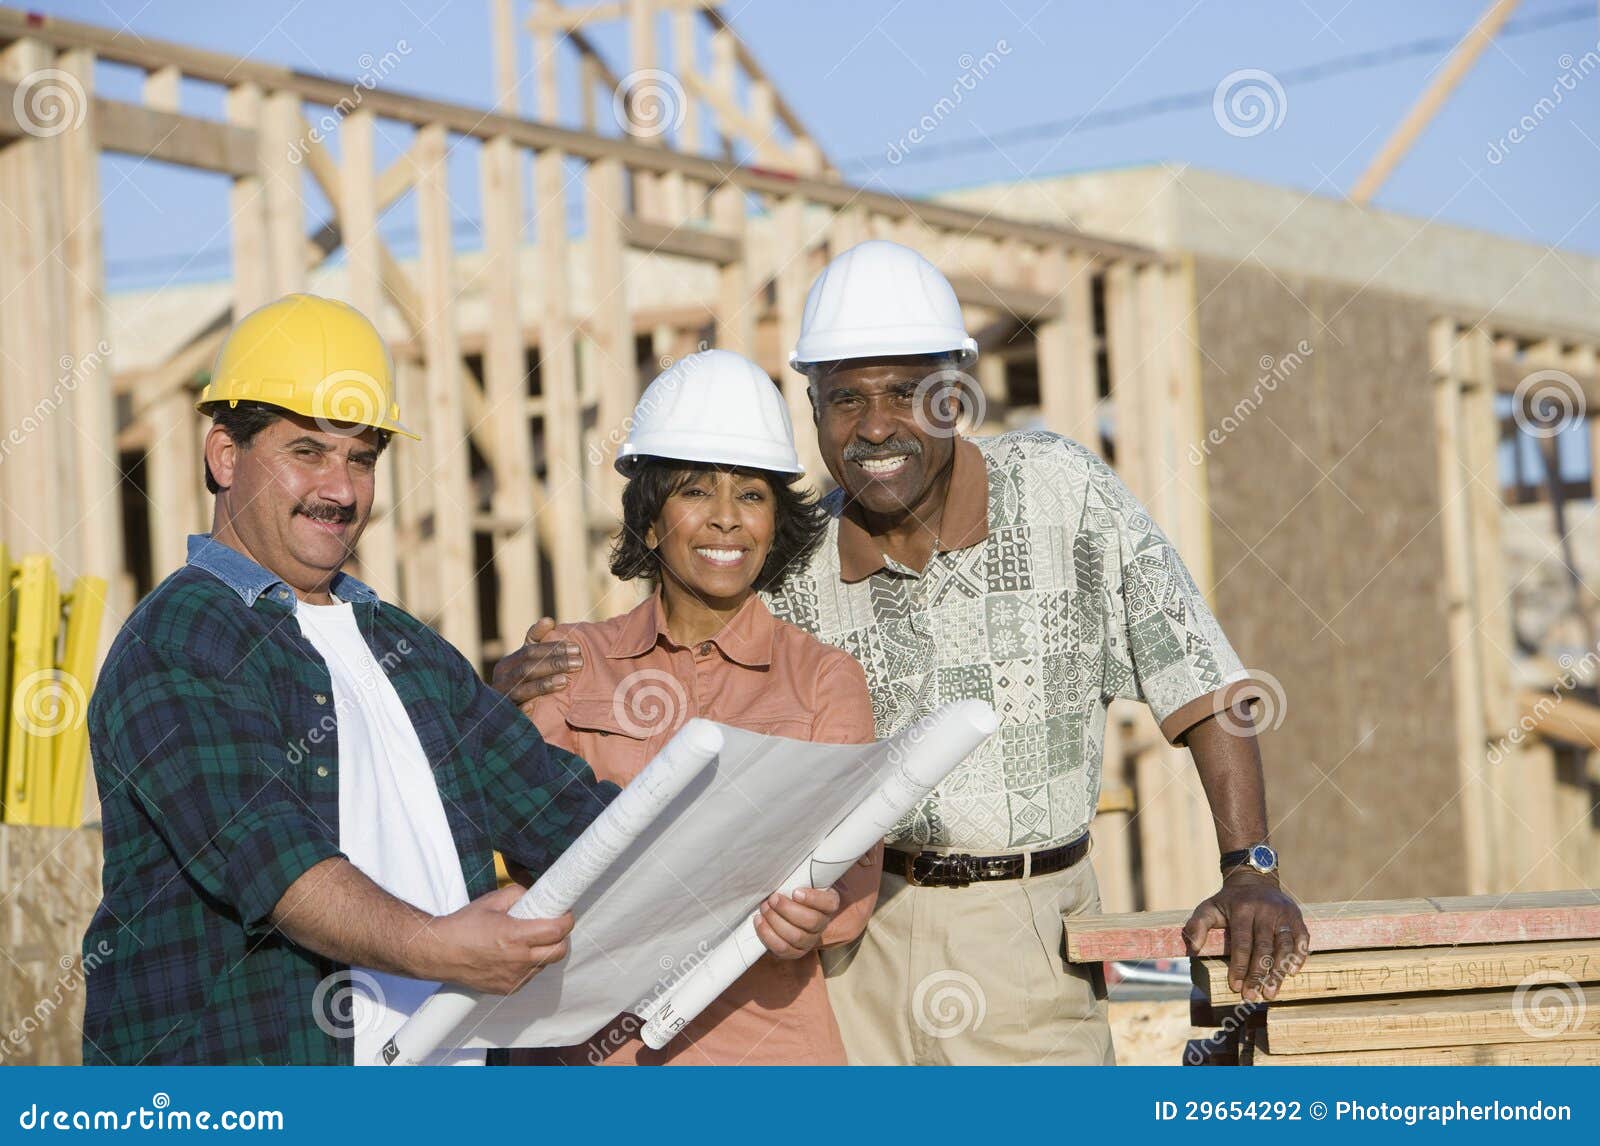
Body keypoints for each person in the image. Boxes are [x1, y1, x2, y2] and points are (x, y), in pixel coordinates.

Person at [494, 242, 1310, 1066]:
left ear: (957, 388)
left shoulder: (1063, 495)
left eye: (906, 393)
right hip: (851, 955)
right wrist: (502, 706)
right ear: (812, 406)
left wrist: (1250, 868)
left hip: (1023, 938)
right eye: (845, 398)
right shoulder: (793, 558)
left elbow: (1202, 681)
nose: (875, 426)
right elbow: (675, 652)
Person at [83, 294, 616, 1065]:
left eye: (361, 458)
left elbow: (569, 814)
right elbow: (272, 862)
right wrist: (443, 948)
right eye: (307, 451)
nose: (340, 488)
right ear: (225, 454)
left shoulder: (407, 651)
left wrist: (750, 873)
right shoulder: (181, 638)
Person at [511, 349, 879, 1066]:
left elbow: (853, 885)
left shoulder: (824, 681)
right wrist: (491, 708)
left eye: (751, 495)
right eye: (695, 492)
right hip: (591, 1056)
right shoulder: (570, 664)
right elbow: (530, 853)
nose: (725, 520)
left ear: (775, 525)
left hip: (765, 1062)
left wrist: (813, 919)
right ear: (650, 521)